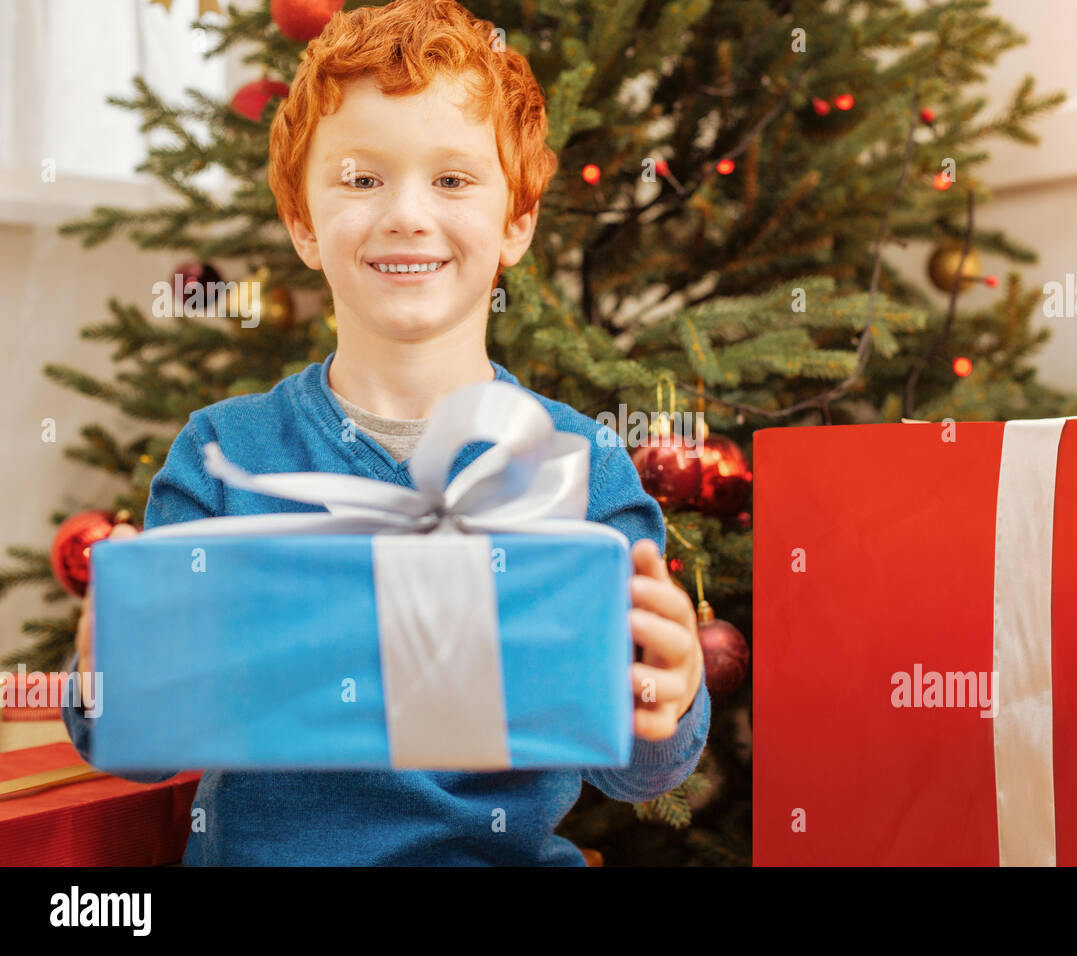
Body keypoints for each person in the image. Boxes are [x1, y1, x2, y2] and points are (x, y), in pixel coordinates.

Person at [63, 0, 708, 866]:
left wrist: (669, 695)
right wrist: (111, 684)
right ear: (303, 224)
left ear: (516, 222)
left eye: (452, 179)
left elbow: (640, 768)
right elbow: (141, 750)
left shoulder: (577, 465)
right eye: (362, 179)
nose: (407, 213)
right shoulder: (222, 457)